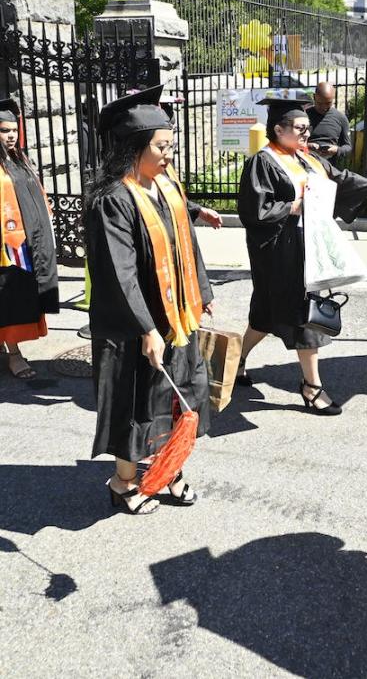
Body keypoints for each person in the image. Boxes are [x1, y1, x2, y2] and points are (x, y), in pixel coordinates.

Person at [237, 96, 367, 415]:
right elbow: (254, 209)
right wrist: (292, 207)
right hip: (281, 253)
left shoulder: (307, 159)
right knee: (305, 317)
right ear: (279, 129)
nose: (307, 134)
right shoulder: (262, 162)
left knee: (265, 314)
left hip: (309, 248)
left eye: (307, 128)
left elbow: (341, 179)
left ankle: (236, 360)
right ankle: (311, 386)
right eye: (300, 128)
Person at [86, 86, 214, 515]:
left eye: (170, 146)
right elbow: (120, 274)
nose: (169, 154)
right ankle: (123, 481)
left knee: (179, 399)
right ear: (133, 147)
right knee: (138, 406)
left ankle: (168, 470)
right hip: (135, 324)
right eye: (162, 147)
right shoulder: (113, 201)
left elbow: (185, 243)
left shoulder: (166, 185)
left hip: (177, 317)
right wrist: (146, 329)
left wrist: (202, 293)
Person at [0, 98, 59, 380]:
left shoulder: (19, 159)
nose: (11, 135)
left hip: (24, 243)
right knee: (8, 299)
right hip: (5, 246)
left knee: (14, 297)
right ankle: (14, 355)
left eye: (13, 130)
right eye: (3, 130)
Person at [306, 82, 352, 167]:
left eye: (328, 103)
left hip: (329, 168)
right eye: (319, 103)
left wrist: (337, 150)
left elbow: (348, 147)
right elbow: (291, 142)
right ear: (314, 97)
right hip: (305, 165)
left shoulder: (341, 118)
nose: (324, 107)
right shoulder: (303, 116)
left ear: (333, 99)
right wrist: (307, 146)